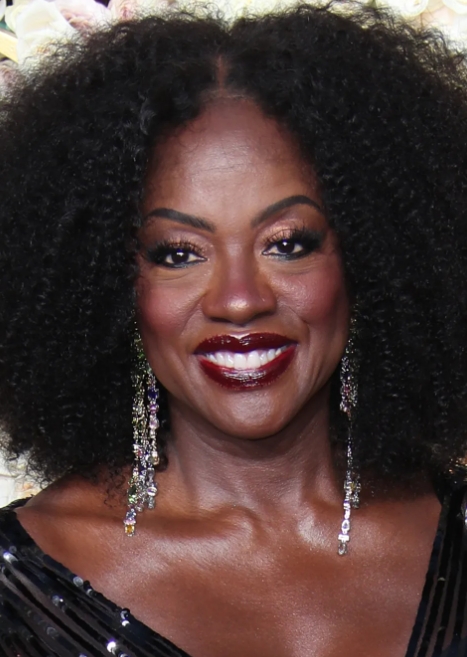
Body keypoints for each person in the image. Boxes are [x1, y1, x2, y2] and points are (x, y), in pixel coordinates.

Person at [0, 2, 467, 656]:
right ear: (104, 285)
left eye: (288, 243)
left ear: (375, 255)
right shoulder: (16, 593)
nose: (240, 300)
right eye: (177, 253)